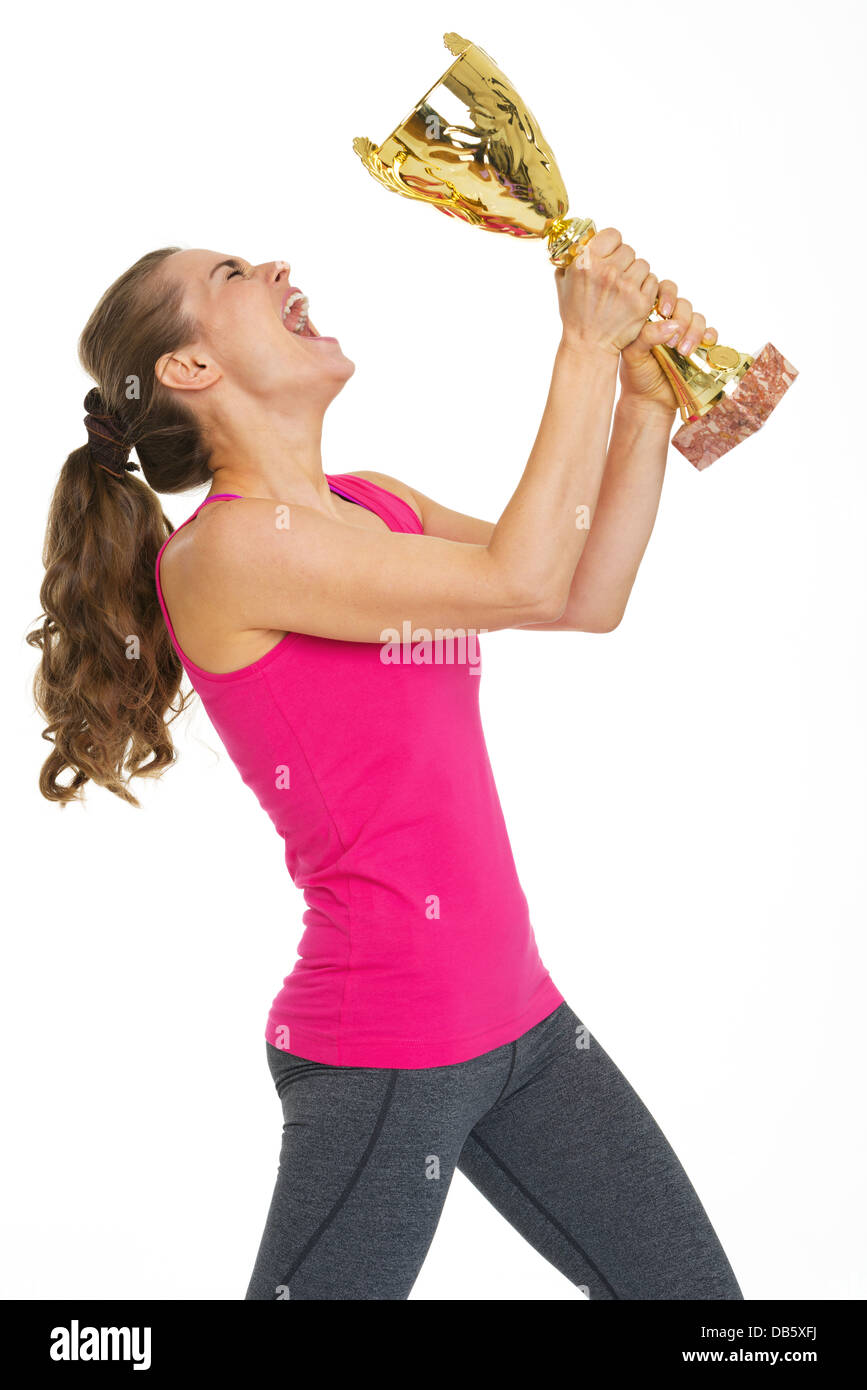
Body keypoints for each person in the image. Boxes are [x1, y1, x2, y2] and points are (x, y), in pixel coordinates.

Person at [30, 235, 743, 1300]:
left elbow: (574, 592)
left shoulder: (377, 506)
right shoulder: (221, 555)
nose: (272, 264)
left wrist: (639, 400)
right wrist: (582, 347)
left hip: (527, 1029)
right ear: (187, 370)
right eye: (229, 276)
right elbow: (516, 573)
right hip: (386, 1051)